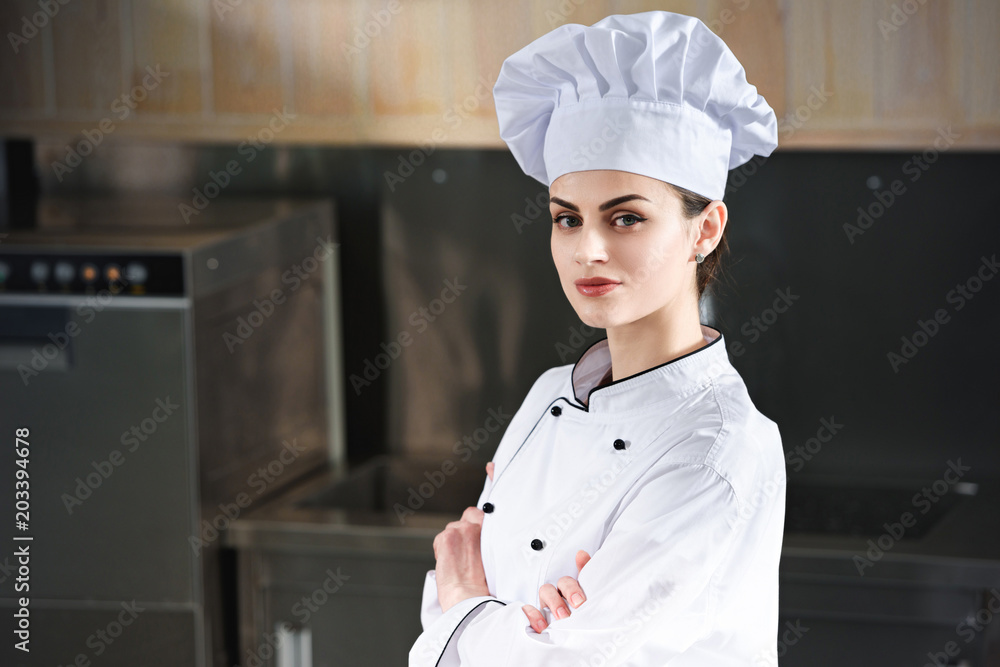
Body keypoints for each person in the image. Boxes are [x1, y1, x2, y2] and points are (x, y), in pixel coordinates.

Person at [409, 10, 786, 666]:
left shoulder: (716, 449)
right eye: (567, 217)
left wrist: (473, 599)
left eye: (627, 218)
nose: (588, 248)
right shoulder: (549, 395)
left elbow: (539, 650)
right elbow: (443, 598)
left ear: (705, 229)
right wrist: (499, 616)